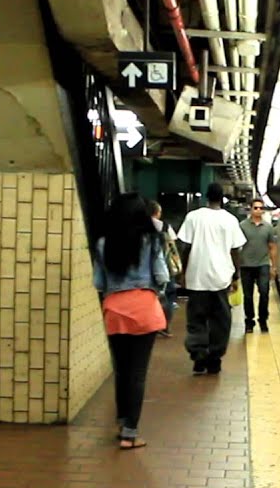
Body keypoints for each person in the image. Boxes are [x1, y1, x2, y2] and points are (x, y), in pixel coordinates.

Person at [94, 193, 169, 449]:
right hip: (143, 308)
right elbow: (162, 275)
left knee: (122, 371)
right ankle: (130, 433)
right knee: (138, 373)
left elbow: (99, 283)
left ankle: (121, 421)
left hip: (114, 309)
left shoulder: (104, 243)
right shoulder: (152, 240)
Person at [176, 182, 246, 375]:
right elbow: (235, 250)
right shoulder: (230, 220)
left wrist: (184, 272)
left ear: (206, 197)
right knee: (220, 320)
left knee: (196, 319)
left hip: (196, 277)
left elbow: (186, 247)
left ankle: (198, 354)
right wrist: (236, 275)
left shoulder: (193, 217)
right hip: (221, 278)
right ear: (222, 198)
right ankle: (214, 358)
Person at [238, 198, 278, 333]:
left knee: (264, 293)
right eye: (256, 208)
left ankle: (263, 320)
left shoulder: (268, 227)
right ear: (251, 209)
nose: (258, 210)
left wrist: (274, 266)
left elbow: (272, 246)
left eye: (261, 208)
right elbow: (237, 246)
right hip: (246, 265)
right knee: (247, 296)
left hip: (263, 264)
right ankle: (249, 321)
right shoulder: (242, 226)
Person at [150, 200, 182, 338]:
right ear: (157, 213)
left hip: (146, 269)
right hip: (165, 267)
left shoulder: (138, 226)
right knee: (168, 296)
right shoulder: (165, 226)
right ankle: (164, 326)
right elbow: (173, 247)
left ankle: (150, 325)